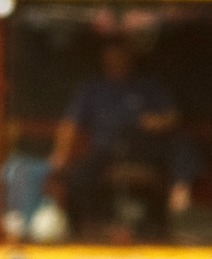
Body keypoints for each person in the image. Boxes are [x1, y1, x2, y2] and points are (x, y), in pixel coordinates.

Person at [51, 37, 190, 239]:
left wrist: (156, 121)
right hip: (105, 149)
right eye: (111, 57)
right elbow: (71, 123)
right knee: (79, 176)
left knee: (177, 146)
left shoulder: (146, 86)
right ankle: (95, 224)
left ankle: (164, 218)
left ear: (129, 58)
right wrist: (60, 155)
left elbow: (173, 117)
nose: (115, 61)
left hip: (143, 149)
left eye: (119, 56)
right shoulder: (93, 88)